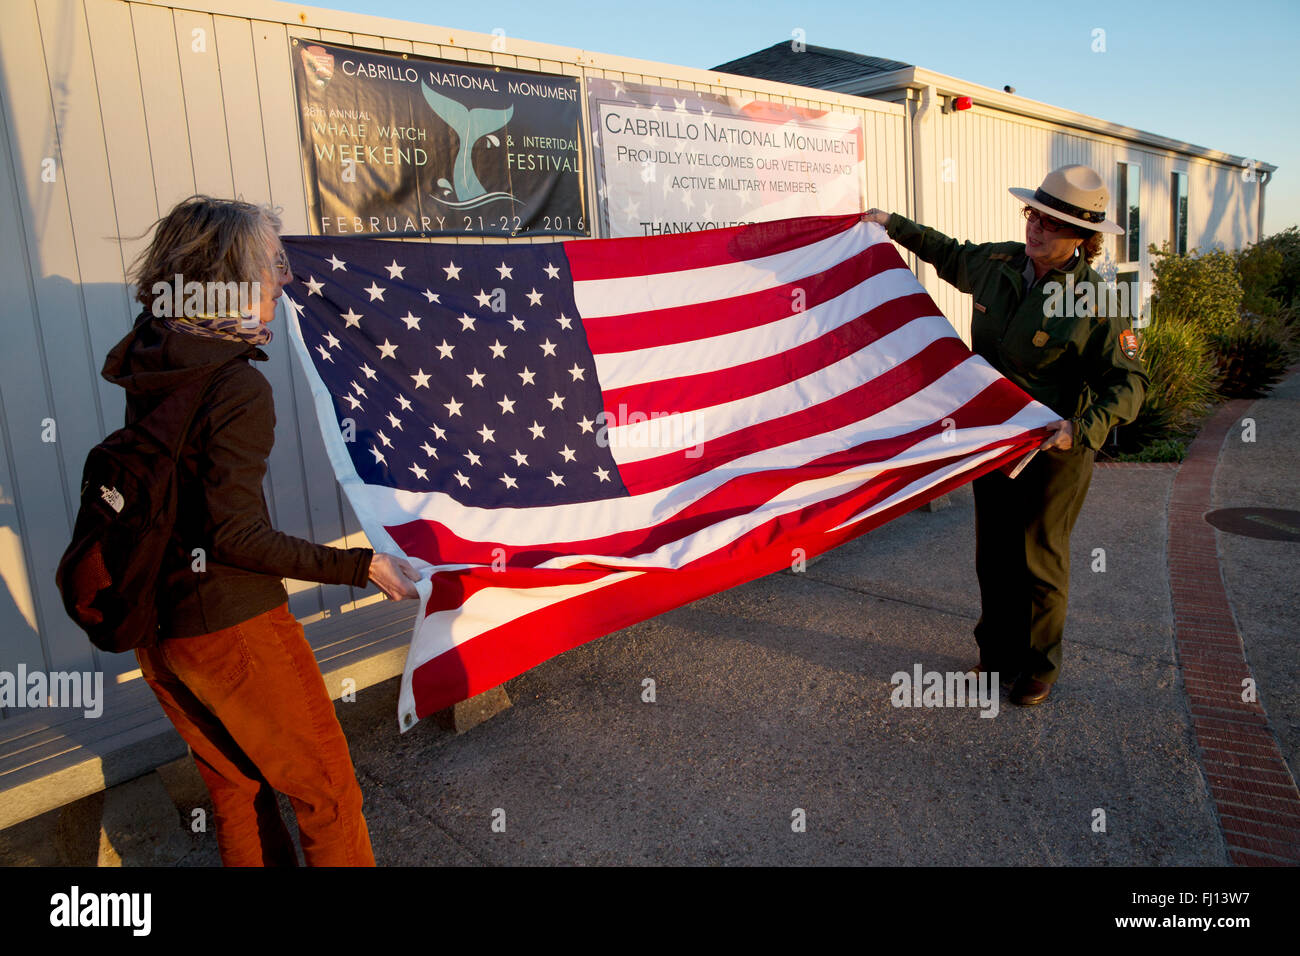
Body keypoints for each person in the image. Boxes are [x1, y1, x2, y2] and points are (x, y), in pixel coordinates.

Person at [103, 195, 421, 864]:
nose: (285, 278)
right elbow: (233, 535)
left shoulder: (155, 359)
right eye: (273, 263)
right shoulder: (235, 387)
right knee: (327, 794)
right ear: (231, 279)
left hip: (159, 631)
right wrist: (359, 565)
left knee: (239, 795)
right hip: (231, 628)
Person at [862, 165, 1148, 705]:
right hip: (992, 439)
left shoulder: (1100, 300)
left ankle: (1039, 665)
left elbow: (1130, 382)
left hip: (1054, 445)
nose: (1036, 229)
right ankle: (996, 655)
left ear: (1082, 240)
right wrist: (888, 222)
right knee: (994, 552)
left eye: (1052, 224)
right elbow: (944, 250)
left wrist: (1080, 429)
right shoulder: (996, 263)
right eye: (1033, 215)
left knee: (1039, 555)